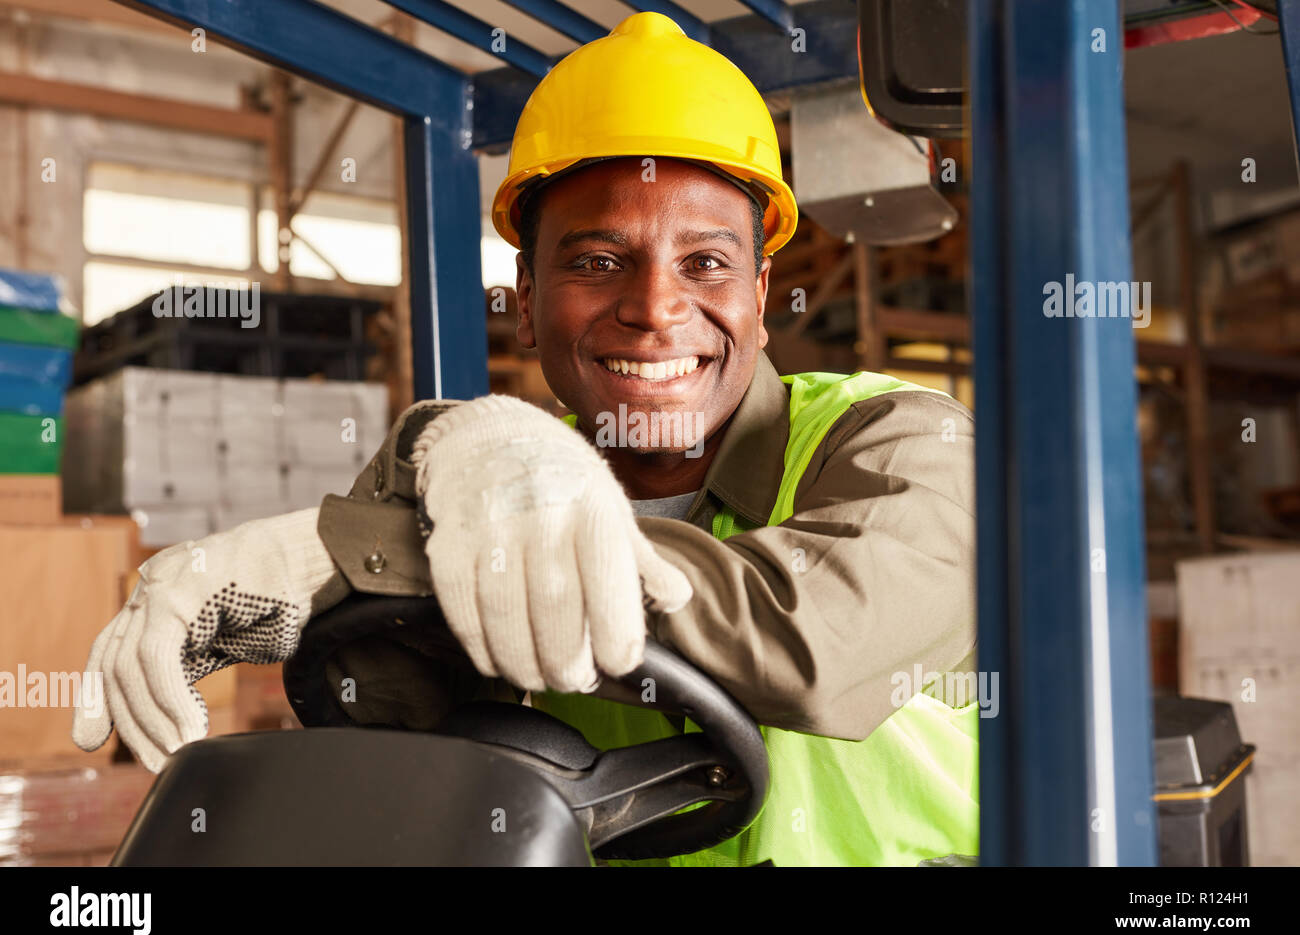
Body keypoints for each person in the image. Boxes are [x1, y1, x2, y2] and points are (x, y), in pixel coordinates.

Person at [73, 12, 978, 866]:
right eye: (596, 262)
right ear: (529, 307)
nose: (657, 308)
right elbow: (391, 716)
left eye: (706, 263)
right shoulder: (469, 480)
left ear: (758, 295)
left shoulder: (906, 441)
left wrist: (354, 551)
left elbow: (815, 641)